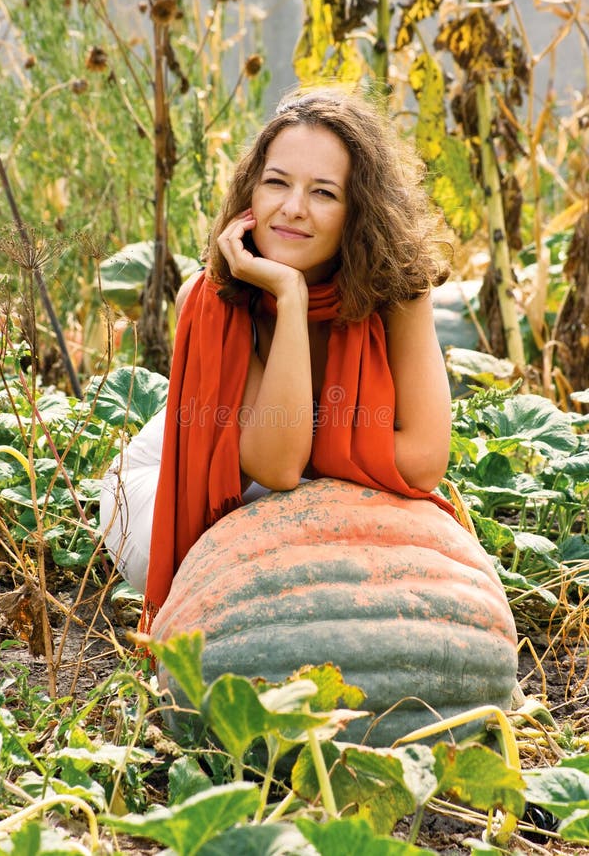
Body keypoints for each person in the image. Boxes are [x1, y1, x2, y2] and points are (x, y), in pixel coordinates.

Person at [99, 87, 456, 622]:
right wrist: (289, 298)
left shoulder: (398, 294)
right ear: (250, 193)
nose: (292, 208)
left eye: (324, 193)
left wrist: (320, 444)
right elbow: (276, 465)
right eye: (276, 183)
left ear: (360, 211)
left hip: (281, 476)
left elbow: (425, 461)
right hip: (175, 477)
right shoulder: (213, 300)